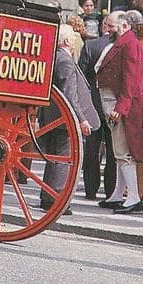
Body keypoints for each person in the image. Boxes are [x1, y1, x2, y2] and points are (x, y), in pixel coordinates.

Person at [40, 24, 100, 213]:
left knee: (55, 157)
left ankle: (48, 197)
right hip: (62, 117)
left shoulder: (56, 57)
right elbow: (69, 94)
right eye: (73, 38)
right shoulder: (65, 61)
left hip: (53, 115)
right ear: (66, 41)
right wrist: (81, 119)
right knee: (62, 158)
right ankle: (56, 198)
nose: (75, 41)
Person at [96, 10, 143, 213]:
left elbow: (131, 79)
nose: (110, 28)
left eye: (113, 24)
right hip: (119, 102)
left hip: (123, 105)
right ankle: (118, 194)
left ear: (124, 25)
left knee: (124, 152)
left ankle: (133, 197)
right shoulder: (126, 42)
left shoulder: (129, 43)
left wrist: (120, 108)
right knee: (119, 152)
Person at [80, 12, 120, 200]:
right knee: (113, 150)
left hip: (94, 101)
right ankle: (111, 190)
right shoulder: (122, 47)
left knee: (92, 148)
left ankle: (90, 188)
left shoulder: (91, 45)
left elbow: (82, 75)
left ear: (105, 26)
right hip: (113, 103)